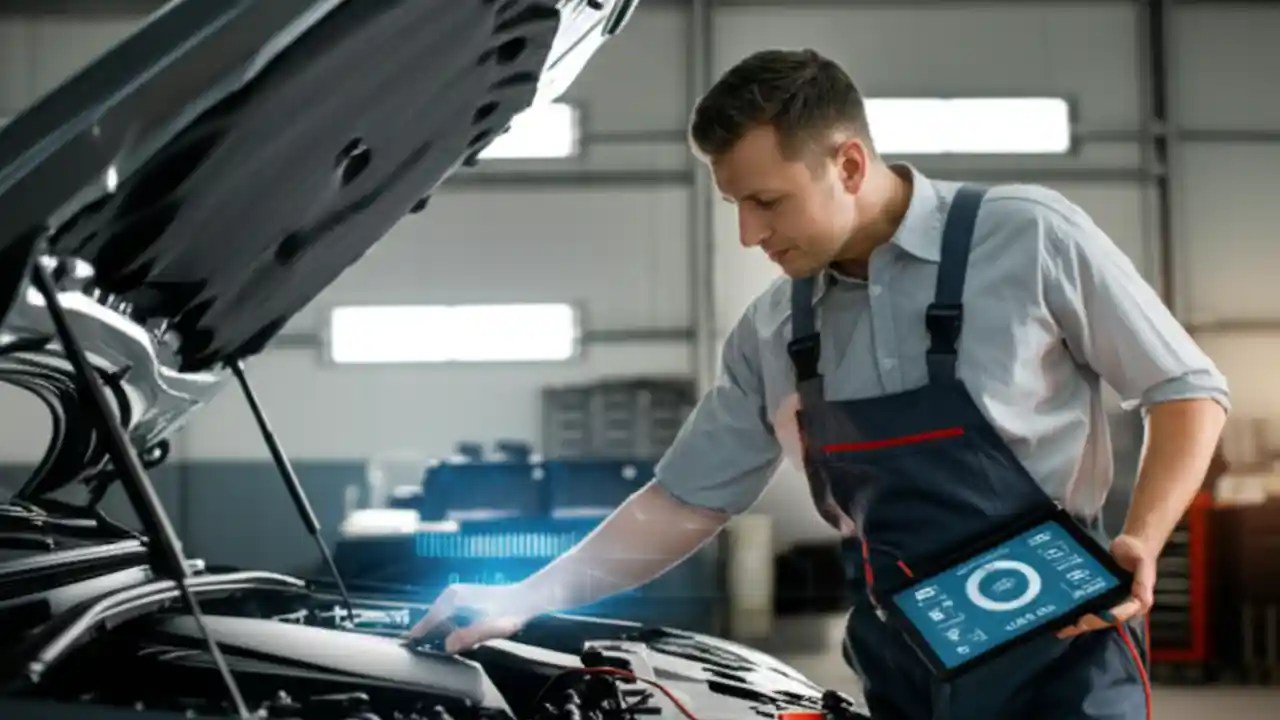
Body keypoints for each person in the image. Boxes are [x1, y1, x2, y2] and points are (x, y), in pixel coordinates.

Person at [406, 49, 1230, 719]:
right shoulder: (775, 329)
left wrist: (1144, 537)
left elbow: (1185, 388)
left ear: (847, 162)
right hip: (903, 659)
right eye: (734, 203)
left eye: (766, 202)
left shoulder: (1029, 238)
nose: (747, 233)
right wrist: (524, 594)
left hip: (1058, 647)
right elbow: (686, 499)